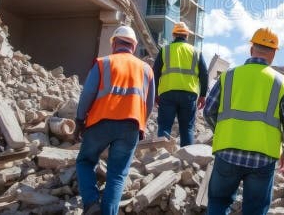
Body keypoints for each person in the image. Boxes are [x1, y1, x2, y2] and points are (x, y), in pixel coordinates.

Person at [204, 27, 284, 215]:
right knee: (255, 209)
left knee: (218, 202)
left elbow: (208, 111)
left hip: (227, 152)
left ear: (251, 49)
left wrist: (224, 131)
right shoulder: (281, 83)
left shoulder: (228, 76)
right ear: (273, 54)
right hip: (263, 158)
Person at [75, 25, 155, 215]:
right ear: (133, 47)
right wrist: (140, 125)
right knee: (117, 175)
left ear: (114, 44)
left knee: (85, 162)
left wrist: (79, 120)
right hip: (131, 125)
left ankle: (91, 203)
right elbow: (149, 105)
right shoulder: (146, 70)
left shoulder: (103, 63)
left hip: (100, 123)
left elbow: (87, 94)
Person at [154, 21, 208, 146]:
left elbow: (155, 73)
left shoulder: (165, 50)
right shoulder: (196, 52)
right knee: (187, 128)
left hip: (167, 93)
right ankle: (187, 160)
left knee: (164, 127)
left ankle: (162, 159)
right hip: (189, 95)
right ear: (187, 36)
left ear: (174, 35)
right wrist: (203, 95)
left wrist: (155, 93)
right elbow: (204, 74)